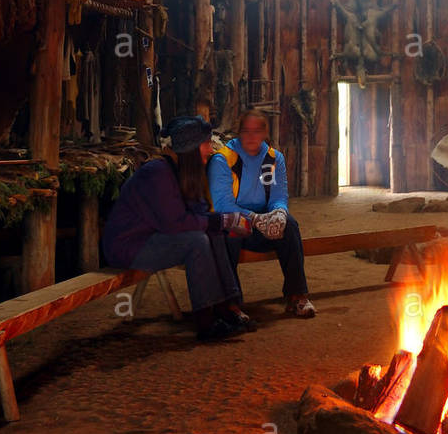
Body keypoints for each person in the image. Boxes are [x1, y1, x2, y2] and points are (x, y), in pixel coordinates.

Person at [102, 115, 256, 341]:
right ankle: (206, 323)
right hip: (129, 246)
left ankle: (227, 307)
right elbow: (175, 223)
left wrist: (226, 221)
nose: (210, 149)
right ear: (191, 148)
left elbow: (200, 213)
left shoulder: (182, 171)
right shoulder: (156, 172)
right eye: (206, 143)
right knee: (197, 240)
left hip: (156, 239)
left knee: (213, 232)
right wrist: (219, 221)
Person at [207, 109, 316, 319]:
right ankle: (231, 303)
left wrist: (279, 213)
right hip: (237, 218)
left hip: (263, 219)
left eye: (257, 131)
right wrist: (255, 219)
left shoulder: (274, 159)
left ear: (265, 133)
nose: (251, 136)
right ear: (238, 132)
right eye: (246, 131)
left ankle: (297, 296)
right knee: (230, 230)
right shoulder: (223, 160)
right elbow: (223, 205)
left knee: (290, 225)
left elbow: (278, 195)